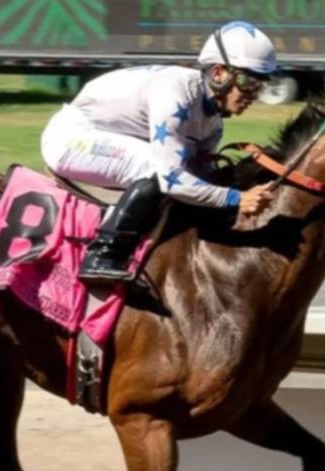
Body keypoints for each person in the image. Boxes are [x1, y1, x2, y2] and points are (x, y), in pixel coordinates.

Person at [40, 21, 278, 285]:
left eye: (260, 85)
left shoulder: (213, 123)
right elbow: (171, 180)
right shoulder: (175, 94)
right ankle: (103, 255)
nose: (253, 94)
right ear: (219, 73)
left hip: (108, 134)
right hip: (71, 138)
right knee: (157, 168)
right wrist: (236, 198)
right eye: (248, 81)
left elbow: (201, 177)